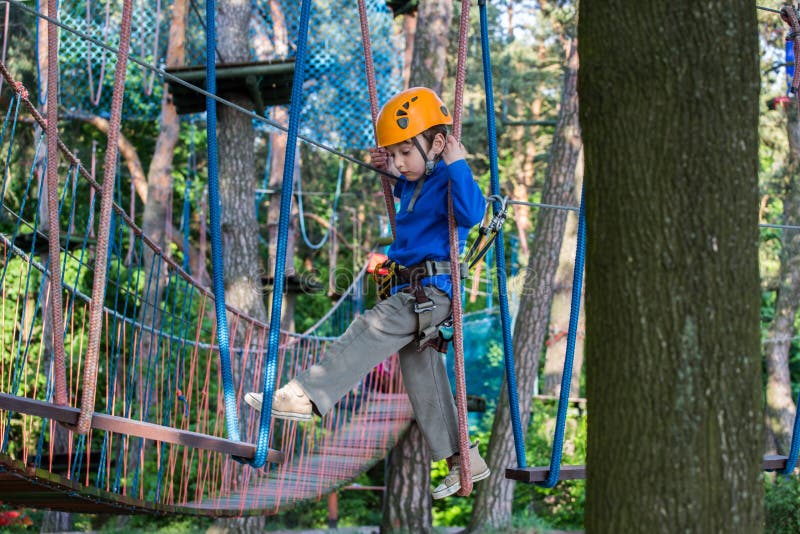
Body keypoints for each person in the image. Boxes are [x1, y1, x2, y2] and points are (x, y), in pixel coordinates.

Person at [245, 87, 489, 499]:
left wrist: (458, 162)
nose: (399, 162)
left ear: (439, 144)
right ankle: (463, 458)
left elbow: (472, 212)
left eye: (404, 153)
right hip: (417, 293)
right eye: (393, 154)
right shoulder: (415, 181)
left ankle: (307, 395)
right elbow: (410, 199)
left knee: (370, 327)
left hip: (432, 293)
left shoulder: (449, 175)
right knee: (422, 378)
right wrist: (389, 170)